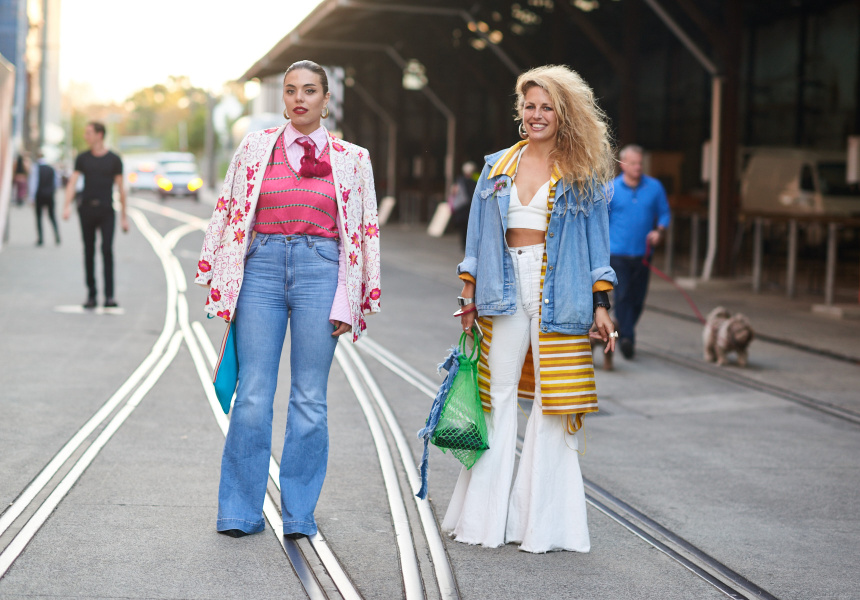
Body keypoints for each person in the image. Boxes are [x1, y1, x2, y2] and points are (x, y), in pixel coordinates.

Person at [195, 60, 381, 540]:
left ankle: (299, 514)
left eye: (310, 91)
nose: (300, 99)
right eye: (292, 90)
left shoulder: (352, 158)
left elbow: (362, 232)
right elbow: (230, 208)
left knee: (309, 399)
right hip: (261, 268)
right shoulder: (255, 148)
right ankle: (239, 511)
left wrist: (350, 298)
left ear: (325, 100)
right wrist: (221, 277)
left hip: (322, 270)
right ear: (283, 97)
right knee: (253, 395)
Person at [444, 65, 617, 553]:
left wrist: (602, 304)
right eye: (530, 106)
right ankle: (483, 520)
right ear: (520, 111)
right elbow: (476, 238)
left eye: (547, 107)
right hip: (502, 284)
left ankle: (542, 527)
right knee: (496, 397)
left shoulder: (581, 172)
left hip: (559, 288)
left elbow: (599, 247)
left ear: (563, 114)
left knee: (552, 403)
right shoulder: (496, 166)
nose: (537, 114)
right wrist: (468, 292)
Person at [608, 144, 671, 359]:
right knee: (623, 294)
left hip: (643, 254)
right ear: (623, 165)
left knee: (638, 299)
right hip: (617, 254)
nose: (637, 167)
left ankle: (623, 331)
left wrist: (659, 231)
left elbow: (664, 214)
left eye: (640, 163)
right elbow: (600, 221)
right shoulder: (611, 189)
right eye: (633, 163)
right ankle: (627, 338)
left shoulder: (655, 188)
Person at [62, 121, 129, 309]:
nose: (86, 136)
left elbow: (121, 189)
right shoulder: (82, 158)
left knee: (107, 250)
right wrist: (66, 206)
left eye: (89, 133)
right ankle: (91, 295)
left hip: (107, 210)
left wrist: (124, 217)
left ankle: (109, 296)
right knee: (88, 251)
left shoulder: (114, 159)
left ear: (100, 135)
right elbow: (72, 183)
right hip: (87, 210)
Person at [29, 152, 61, 246]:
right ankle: (57, 235)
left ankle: (41, 239)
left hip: (39, 195)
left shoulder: (36, 168)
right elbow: (56, 183)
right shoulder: (51, 168)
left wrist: (32, 197)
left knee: (39, 217)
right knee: (52, 216)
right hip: (49, 195)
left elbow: (33, 183)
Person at [450, 161, 477, 249]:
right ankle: (467, 244)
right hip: (470, 207)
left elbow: (453, 191)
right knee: (469, 227)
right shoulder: (475, 180)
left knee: (463, 227)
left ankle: (463, 244)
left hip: (462, 207)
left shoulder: (459, 180)